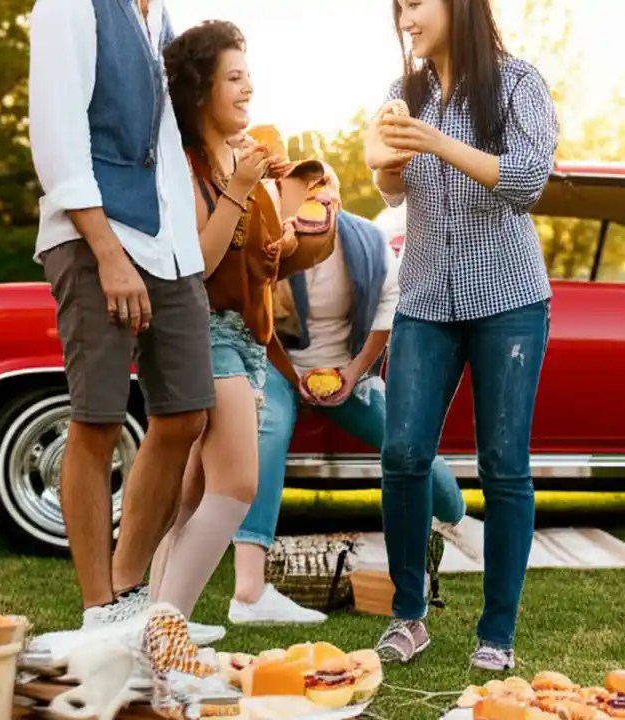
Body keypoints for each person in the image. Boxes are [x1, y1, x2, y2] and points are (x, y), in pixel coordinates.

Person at [370, 0, 559, 671]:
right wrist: (387, 162)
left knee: (503, 466)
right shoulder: (403, 91)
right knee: (402, 454)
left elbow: (528, 181)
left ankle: (496, 635)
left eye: (416, 4)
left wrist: (436, 142)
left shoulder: (518, 84)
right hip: (425, 297)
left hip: (508, 299)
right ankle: (408, 615)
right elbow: (392, 190)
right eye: (399, 8)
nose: (406, 18)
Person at [26, 0, 217, 649]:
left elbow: (169, 143)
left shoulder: (159, 17)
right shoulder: (70, 6)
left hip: (170, 244)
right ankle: (98, 608)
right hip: (94, 236)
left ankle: (130, 591)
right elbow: (57, 135)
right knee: (98, 418)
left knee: (186, 414)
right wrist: (107, 253)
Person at [148, 19, 338, 625]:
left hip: (248, 341)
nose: (248, 87)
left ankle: (151, 618)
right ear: (201, 89)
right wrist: (239, 188)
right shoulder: (186, 165)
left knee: (189, 497)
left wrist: (287, 229)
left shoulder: (246, 156)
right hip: (207, 332)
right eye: (234, 77)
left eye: (248, 75)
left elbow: (258, 257)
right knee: (236, 486)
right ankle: (165, 626)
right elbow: (199, 262)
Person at [226, 208, 467, 626]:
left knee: (409, 441)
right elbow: (254, 321)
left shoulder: (369, 244)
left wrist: (352, 374)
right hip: (280, 369)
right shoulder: (268, 241)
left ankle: (457, 517)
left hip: (347, 373)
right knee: (269, 430)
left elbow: (389, 312)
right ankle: (247, 591)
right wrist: (294, 378)